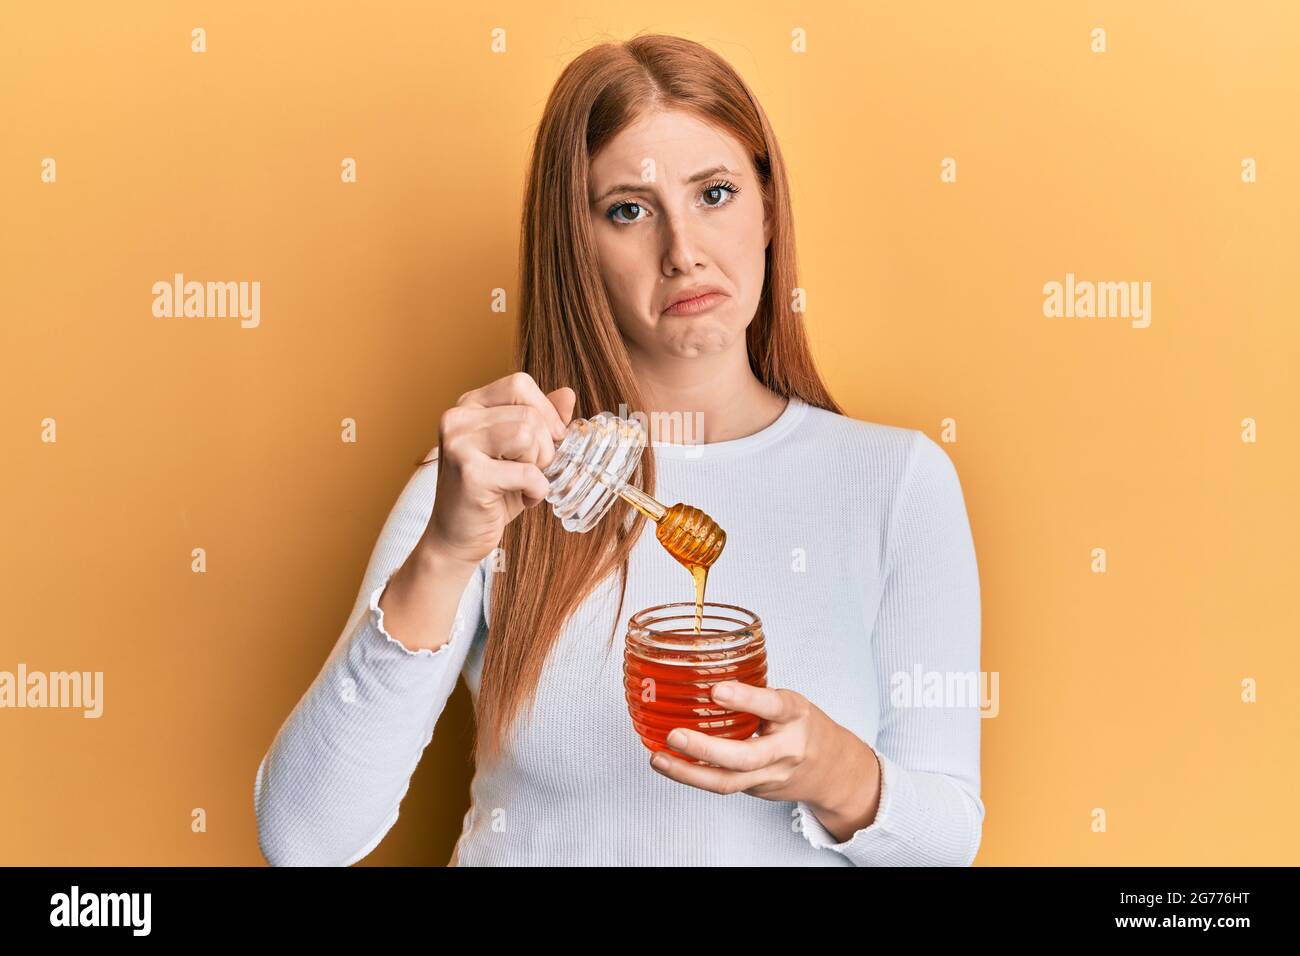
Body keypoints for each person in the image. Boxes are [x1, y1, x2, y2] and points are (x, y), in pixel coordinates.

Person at [254, 33, 983, 866]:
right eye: (628, 210)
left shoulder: (895, 481)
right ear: (577, 243)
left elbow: (946, 842)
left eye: (714, 192)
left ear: (769, 206)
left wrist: (832, 770)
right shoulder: (488, 485)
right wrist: (447, 552)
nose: (683, 251)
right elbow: (303, 840)